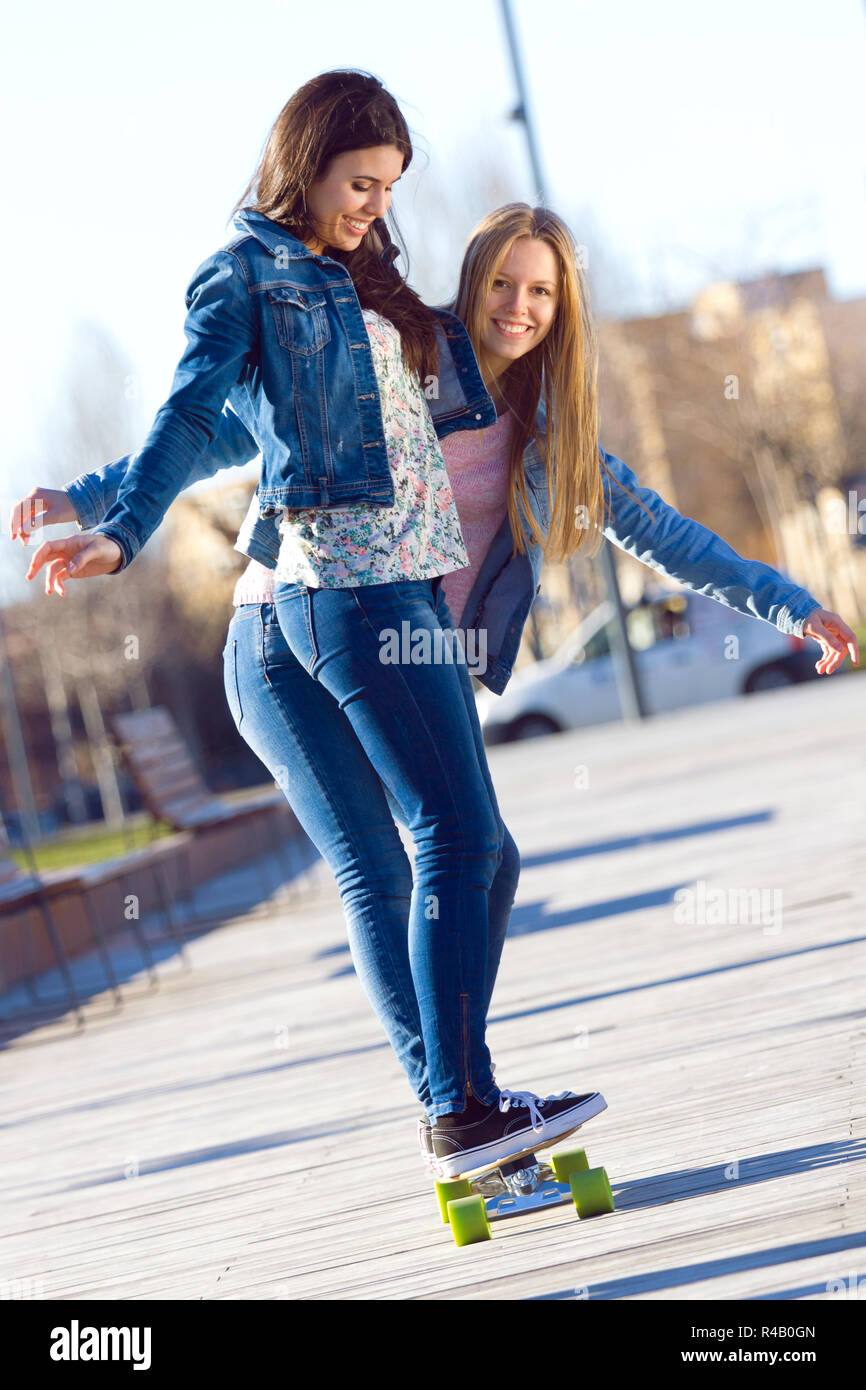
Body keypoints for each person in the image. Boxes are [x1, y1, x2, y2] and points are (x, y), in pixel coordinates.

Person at [18, 194, 859, 1181]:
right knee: (387, 868)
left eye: (540, 290)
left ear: (562, 306)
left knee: (482, 860)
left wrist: (786, 602)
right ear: (471, 283)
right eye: (501, 282)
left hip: (402, 649)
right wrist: (95, 497)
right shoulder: (400, 358)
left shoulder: (550, 433)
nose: (518, 305)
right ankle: (459, 1116)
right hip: (276, 635)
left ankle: (465, 1110)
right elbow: (230, 426)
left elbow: (662, 534)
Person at [16, 71, 610, 1184]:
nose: (373, 207)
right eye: (358, 183)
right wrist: (119, 523)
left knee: (459, 854)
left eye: (387, 188)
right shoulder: (241, 274)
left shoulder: (364, 281)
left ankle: (465, 1106)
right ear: (307, 162)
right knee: (457, 841)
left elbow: (249, 430)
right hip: (345, 583)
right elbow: (194, 415)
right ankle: (465, 1108)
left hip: (395, 582)